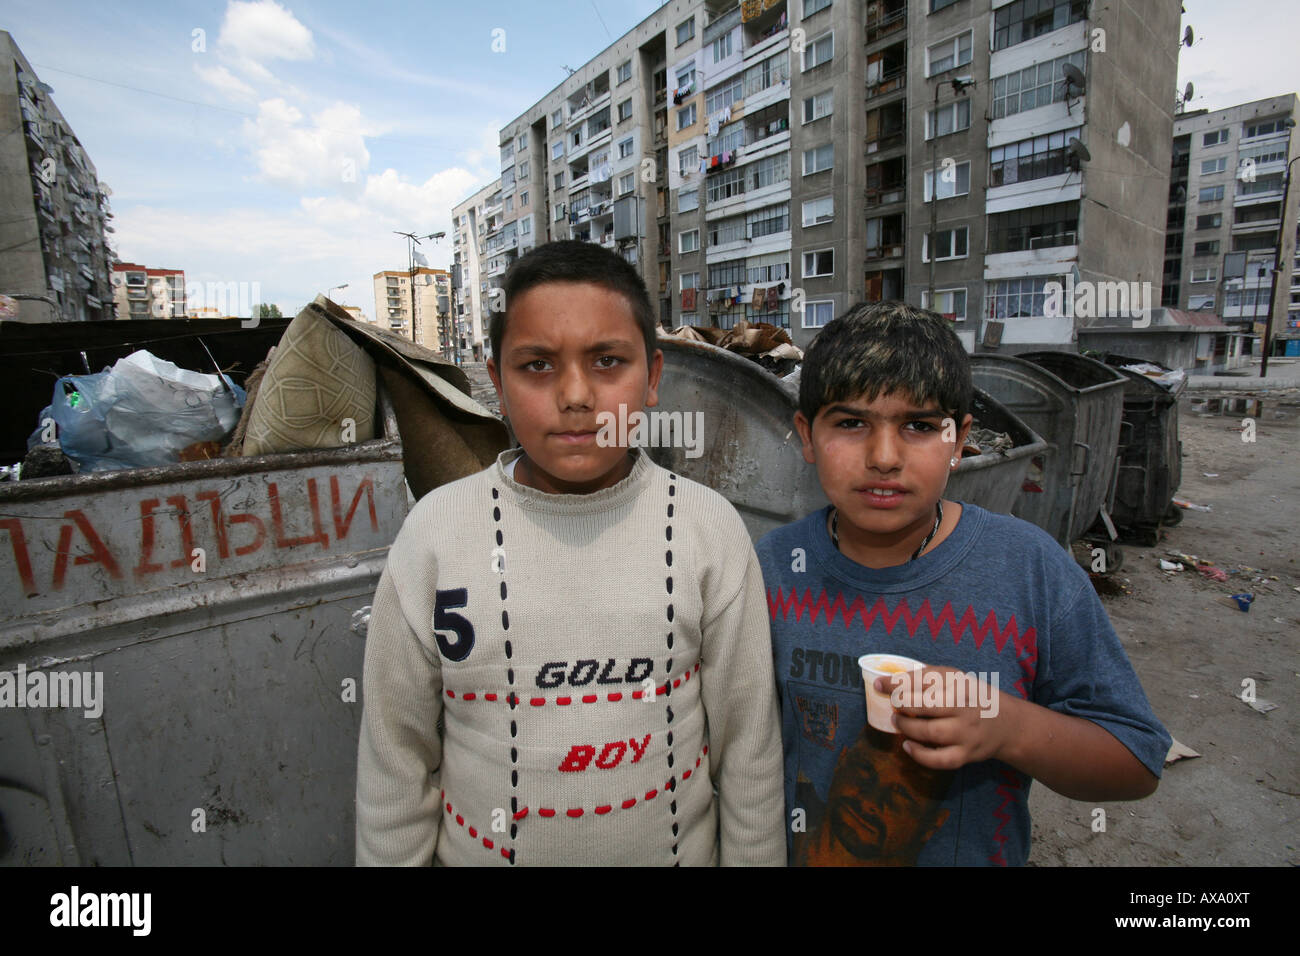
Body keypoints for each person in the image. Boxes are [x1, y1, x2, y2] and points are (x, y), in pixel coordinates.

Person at [356, 240, 784, 866]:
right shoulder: (435, 535)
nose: (576, 395)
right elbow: (395, 768)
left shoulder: (707, 531)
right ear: (496, 383)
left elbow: (750, 757)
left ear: (654, 377)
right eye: (536, 366)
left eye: (608, 360)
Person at [756, 301, 1170, 866]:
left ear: (960, 441)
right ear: (806, 435)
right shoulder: (770, 570)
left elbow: (1136, 762)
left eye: (920, 427)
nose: (883, 457)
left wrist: (1006, 726)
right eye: (851, 423)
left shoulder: (1029, 570)